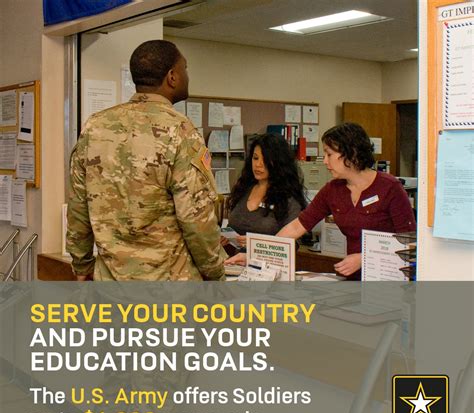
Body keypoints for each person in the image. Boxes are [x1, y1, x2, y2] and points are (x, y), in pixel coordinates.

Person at [67, 40, 225, 281]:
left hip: (110, 287)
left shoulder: (95, 127)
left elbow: (79, 206)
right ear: (172, 77)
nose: (187, 75)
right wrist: (216, 274)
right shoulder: (180, 131)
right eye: (185, 68)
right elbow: (196, 220)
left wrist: (81, 265)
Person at [226, 122, 416, 280]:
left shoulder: (390, 187)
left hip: (388, 279)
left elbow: (410, 244)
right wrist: (256, 255)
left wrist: (364, 258)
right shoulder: (333, 190)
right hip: (351, 279)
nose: (325, 161)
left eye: (329, 154)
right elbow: (295, 228)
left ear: (351, 153)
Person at [225, 133, 306, 248]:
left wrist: (256, 244)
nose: (258, 165)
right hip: (237, 262)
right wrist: (226, 238)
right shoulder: (243, 189)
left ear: (278, 162)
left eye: (266, 159)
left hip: (270, 264)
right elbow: (232, 226)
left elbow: (292, 245)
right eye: (255, 158)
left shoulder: (289, 198)